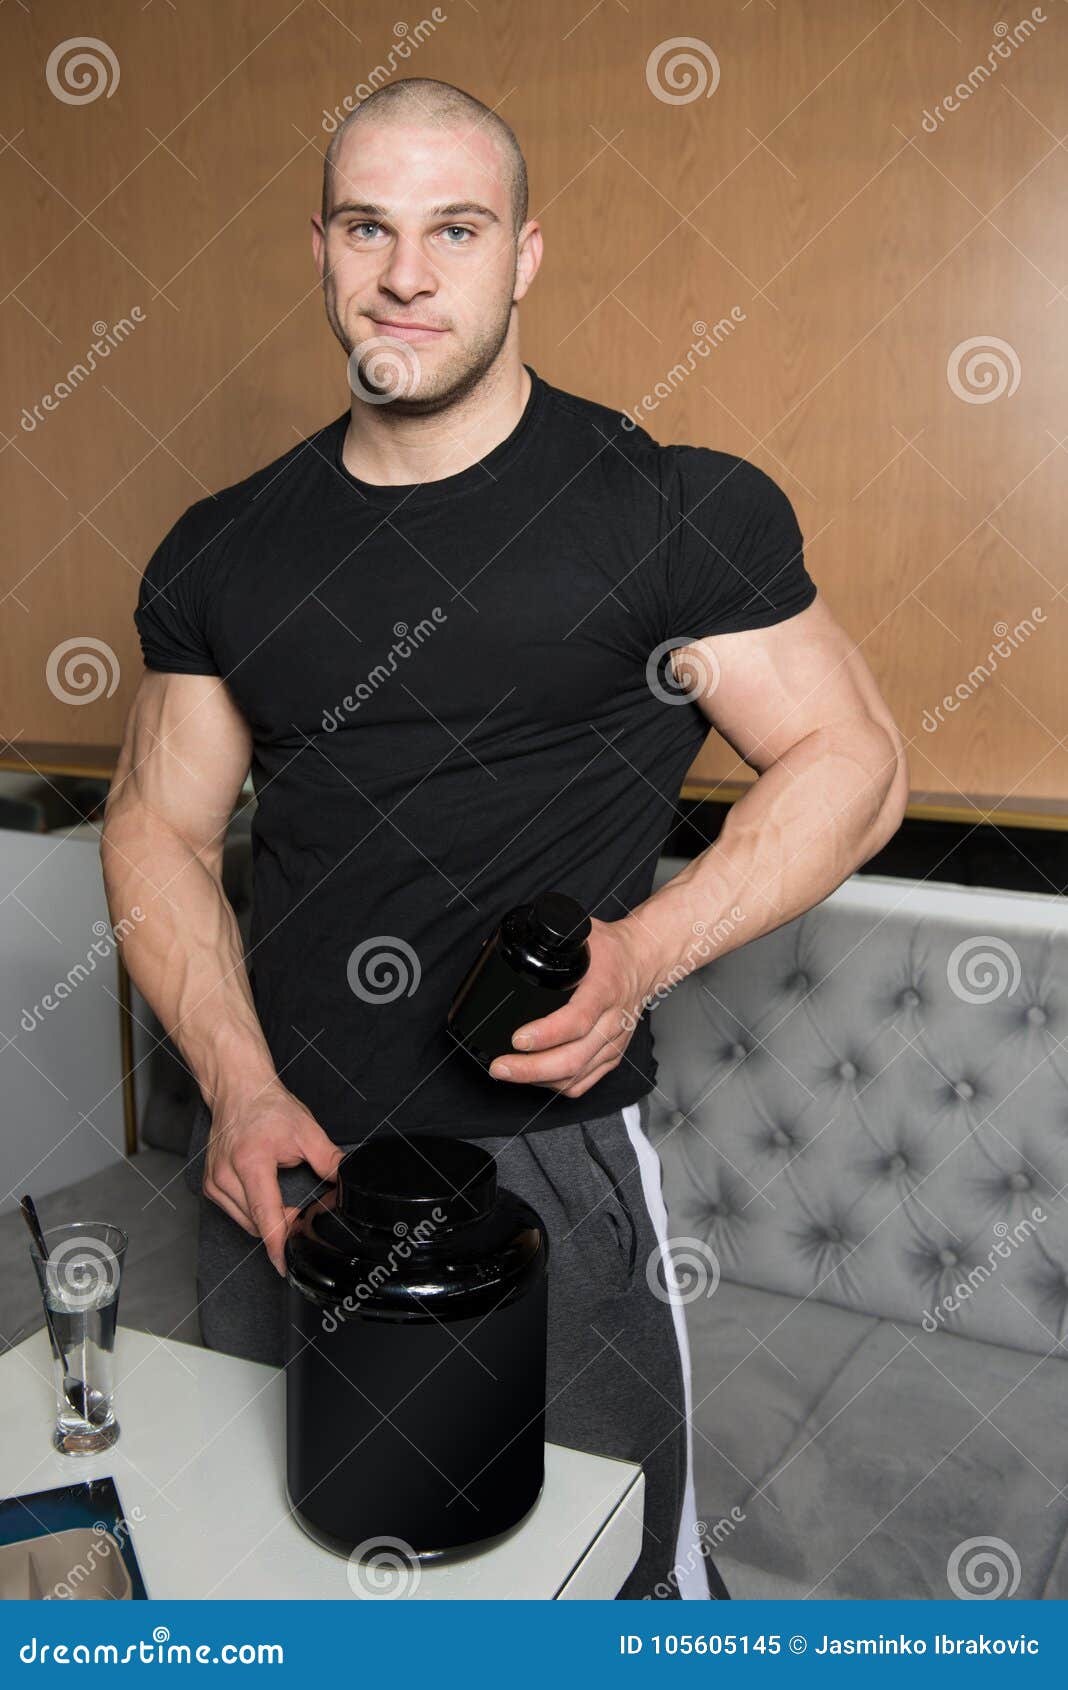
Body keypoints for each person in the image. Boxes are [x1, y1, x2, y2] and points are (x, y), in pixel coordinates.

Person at [100, 77, 908, 1601]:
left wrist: (647, 954)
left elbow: (852, 764)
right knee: (271, 1581)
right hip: (290, 1162)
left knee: (604, 1595)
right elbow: (156, 821)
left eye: (454, 229)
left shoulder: (671, 510)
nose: (406, 272)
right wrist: (240, 1087)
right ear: (324, 247)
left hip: (544, 1172)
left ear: (525, 255)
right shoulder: (222, 546)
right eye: (369, 226)